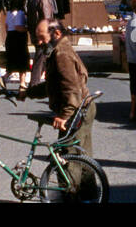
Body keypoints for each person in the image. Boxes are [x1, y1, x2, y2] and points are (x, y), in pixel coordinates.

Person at [28, 18, 95, 157]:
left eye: (42, 38)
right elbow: (53, 85)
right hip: (79, 107)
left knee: (70, 158)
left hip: (77, 109)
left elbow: (71, 88)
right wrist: (28, 93)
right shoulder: (58, 50)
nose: (39, 42)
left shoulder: (61, 54)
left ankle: (72, 179)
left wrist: (65, 115)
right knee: (82, 156)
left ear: (57, 33)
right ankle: (87, 178)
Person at [26, 0, 56, 86]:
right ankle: (34, 84)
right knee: (40, 58)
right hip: (43, 34)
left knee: (43, 58)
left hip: (35, 32)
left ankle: (38, 83)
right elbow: (46, 19)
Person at [3, 0, 31, 92]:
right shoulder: (20, 13)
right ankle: (22, 83)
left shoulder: (9, 12)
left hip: (10, 37)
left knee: (12, 61)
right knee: (23, 61)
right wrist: (28, 28)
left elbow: (6, 26)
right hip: (18, 38)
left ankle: (4, 77)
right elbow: (18, 27)